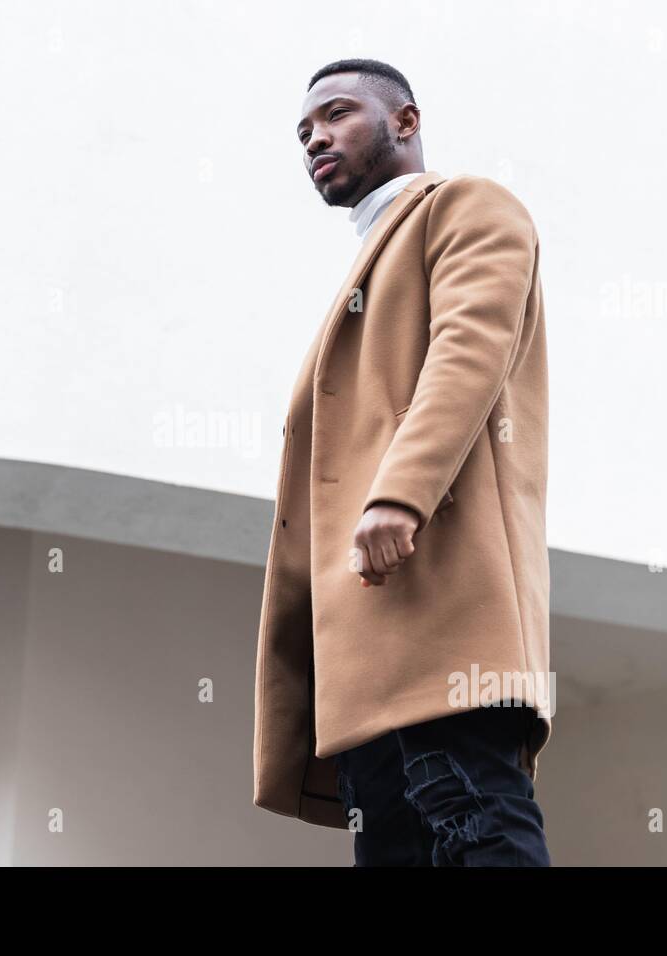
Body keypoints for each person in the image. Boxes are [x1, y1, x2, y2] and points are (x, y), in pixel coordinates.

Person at [252, 58, 553, 866]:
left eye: (338, 114)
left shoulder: (465, 206)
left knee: (474, 821)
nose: (317, 136)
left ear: (406, 122)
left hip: (435, 607)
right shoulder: (363, 268)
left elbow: (468, 351)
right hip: (359, 648)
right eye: (304, 131)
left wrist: (400, 496)